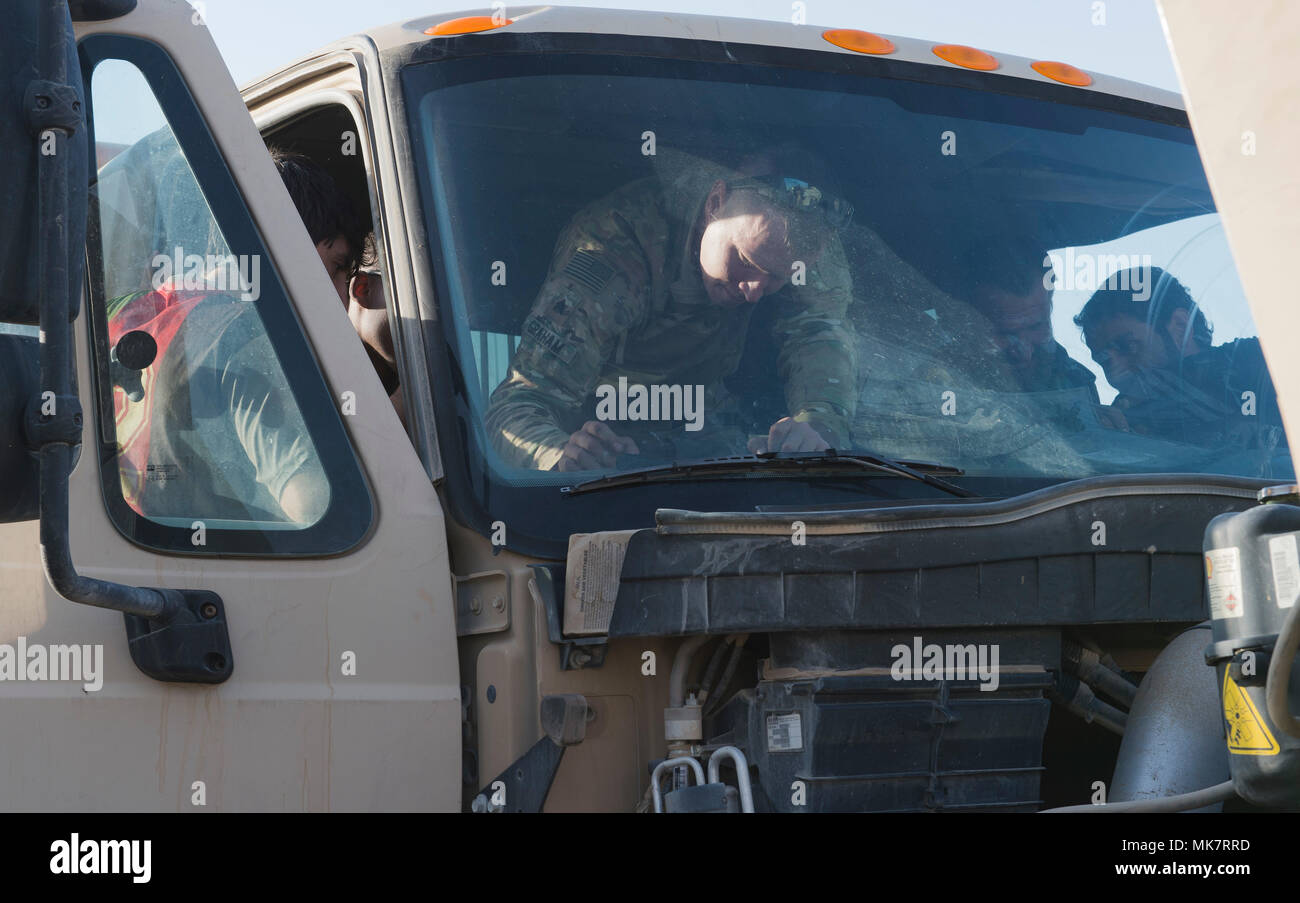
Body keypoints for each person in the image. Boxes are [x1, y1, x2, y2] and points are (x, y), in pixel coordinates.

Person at [484, 147, 859, 472]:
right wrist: (558, 457)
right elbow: (518, 404)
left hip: (708, 439)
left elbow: (820, 339)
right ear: (715, 204)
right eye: (744, 260)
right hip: (599, 443)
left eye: (777, 278)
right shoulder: (614, 245)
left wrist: (817, 431)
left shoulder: (801, 234)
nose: (754, 291)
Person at [107, 150, 397, 524]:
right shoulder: (247, 340)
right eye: (338, 266)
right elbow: (319, 510)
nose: (343, 297)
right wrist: (411, 404)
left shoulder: (133, 317)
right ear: (281, 243)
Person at [1073, 267, 1283, 446]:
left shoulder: (1264, 363)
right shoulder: (1123, 420)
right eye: (1104, 360)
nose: (1117, 372)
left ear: (1180, 326)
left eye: (1129, 346)